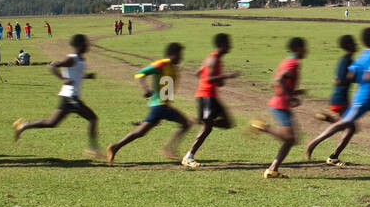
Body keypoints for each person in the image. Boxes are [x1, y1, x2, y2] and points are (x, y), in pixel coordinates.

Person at [306, 27, 370, 164]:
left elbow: (350, 74)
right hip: (364, 98)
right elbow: (369, 76)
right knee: (344, 123)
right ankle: (314, 142)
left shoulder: (362, 57)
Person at [13, 34, 100, 156]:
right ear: (80, 44)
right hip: (71, 97)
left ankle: (23, 126)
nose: (88, 45)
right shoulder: (72, 58)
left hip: (68, 97)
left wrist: (87, 76)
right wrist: (62, 78)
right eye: (86, 43)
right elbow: (52, 66)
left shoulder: (80, 59)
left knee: (51, 123)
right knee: (93, 118)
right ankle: (93, 149)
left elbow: (75, 75)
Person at [106, 43, 190, 163]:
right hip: (159, 106)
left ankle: (115, 147)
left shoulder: (172, 67)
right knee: (186, 123)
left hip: (161, 106)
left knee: (140, 132)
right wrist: (144, 89)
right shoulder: (161, 64)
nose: (181, 58)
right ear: (172, 54)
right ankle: (169, 149)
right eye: (179, 55)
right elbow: (140, 74)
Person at [249, 37, 306, 178]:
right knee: (290, 138)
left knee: (291, 139)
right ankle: (263, 127)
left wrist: (294, 92)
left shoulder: (288, 61)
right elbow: (279, 79)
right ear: (298, 49)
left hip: (280, 103)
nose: (306, 51)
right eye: (305, 48)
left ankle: (272, 169)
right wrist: (290, 96)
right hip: (280, 105)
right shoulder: (292, 63)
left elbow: (277, 82)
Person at [182, 33, 239, 169]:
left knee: (227, 123)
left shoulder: (213, 58)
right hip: (206, 96)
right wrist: (226, 76)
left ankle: (200, 121)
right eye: (227, 43)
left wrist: (218, 80)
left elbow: (199, 73)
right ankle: (188, 157)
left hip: (210, 96)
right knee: (208, 127)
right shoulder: (213, 60)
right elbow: (208, 79)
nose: (230, 46)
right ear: (221, 45)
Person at [315, 34, 356, 124]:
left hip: (341, 96)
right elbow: (340, 80)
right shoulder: (345, 60)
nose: (356, 45)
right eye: (354, 43)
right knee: (348, 125)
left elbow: (340, 79)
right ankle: (328, 118)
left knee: (347, 125)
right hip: (340, 98)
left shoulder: (347, 60)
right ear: (349, 45)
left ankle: (329, 118)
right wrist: (352, 77)